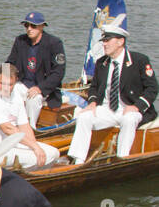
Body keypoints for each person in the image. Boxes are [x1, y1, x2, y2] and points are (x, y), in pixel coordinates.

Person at [67, 23, 158, 164]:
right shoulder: (101, 63)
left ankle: (122, 159)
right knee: (84, 116)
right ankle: (78, 160)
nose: (104, 44)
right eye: (103, 40)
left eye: (107, 40)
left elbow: (152, 88)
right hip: (108, 109)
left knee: (129, 119)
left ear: (121, 41)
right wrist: (92, 103)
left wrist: (137, 106)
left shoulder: (139, 60)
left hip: (130, 109)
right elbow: (94, 87)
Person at [0, 63, 59, 168]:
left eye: (10, 84)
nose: (5, 88)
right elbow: (7, 128)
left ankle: (27, 176)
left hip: (9, 144)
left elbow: (24, 126)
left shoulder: (16, 95)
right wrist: (35, 147)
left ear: (16, 81)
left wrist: (35, 147)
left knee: (54, 153)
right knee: (39, 157)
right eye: (1, 83)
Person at [6, 10, 67, 121]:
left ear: (42, 26)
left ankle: (30, 128)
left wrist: (40, 88)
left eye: (33, 26)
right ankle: (8, 123)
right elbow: (10, 63)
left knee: (33, 99)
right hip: (23, 83)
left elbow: (59, 71)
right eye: (26, 25)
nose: (29, 28)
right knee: (5, 89)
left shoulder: (55, 43)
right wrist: (3, 78)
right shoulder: (20, 41)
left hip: (44, 88)